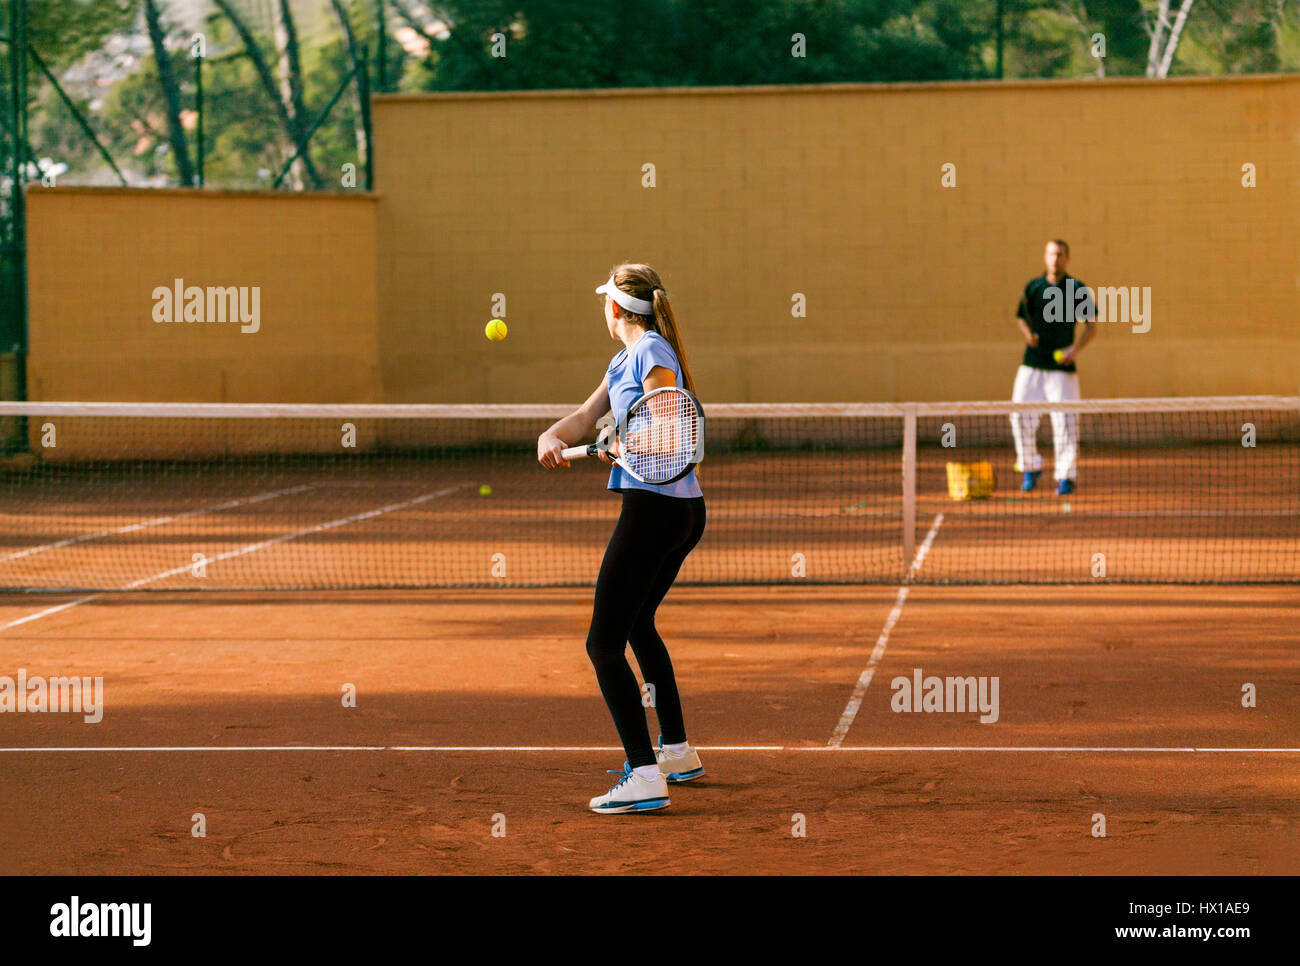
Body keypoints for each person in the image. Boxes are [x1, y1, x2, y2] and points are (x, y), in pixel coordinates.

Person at [537, 264, 707, 814]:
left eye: (602, 302)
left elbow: (669, 428)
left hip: (657, 509)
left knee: (602, 644)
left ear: (615, 309)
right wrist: (554, 435)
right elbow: (587, 416)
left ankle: (643, 773)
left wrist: (621, 443)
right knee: (637, 625)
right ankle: (676, 752)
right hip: (676, 510)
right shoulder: (624, 360)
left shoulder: (653, 352)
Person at [1011, 239, 1097, 495]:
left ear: (1067, 258)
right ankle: (1030, 468)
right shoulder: (1033, 287)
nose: (1055, 259)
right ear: (1045, 257)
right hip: (1032, 365)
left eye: (1059, 254)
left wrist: (1075, 350)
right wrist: (1028, 334)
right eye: (1051, 254)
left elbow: (1091, 325)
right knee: (1018, 416)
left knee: (1067, 423)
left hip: (1062, 370)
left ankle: (1066, 476)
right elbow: (1020, 318)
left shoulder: (1077, 288)